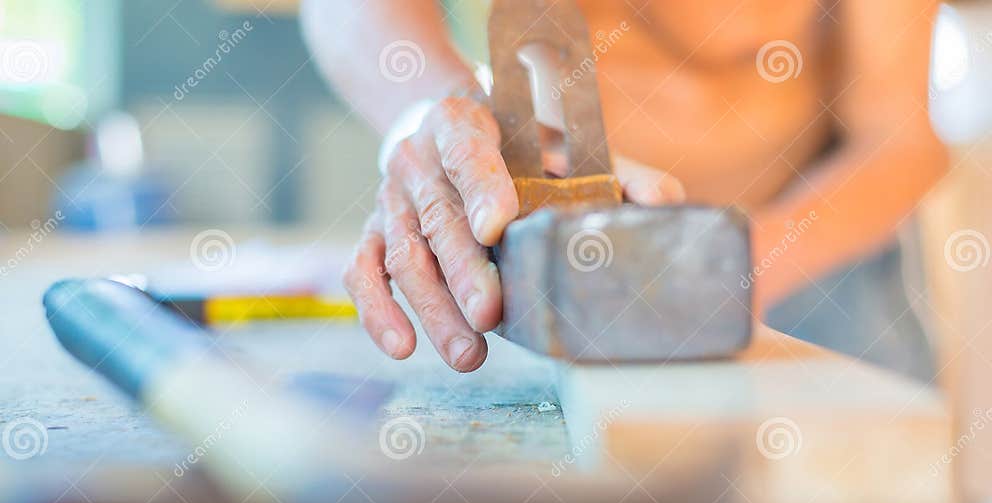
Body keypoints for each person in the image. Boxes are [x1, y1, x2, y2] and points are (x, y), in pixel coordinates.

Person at [302, 0, 947, 379]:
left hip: (813, 264)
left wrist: (723, 270)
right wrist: (426, 118)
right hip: (565, 264)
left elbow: (897, 138)